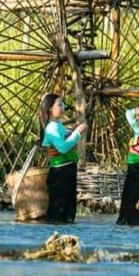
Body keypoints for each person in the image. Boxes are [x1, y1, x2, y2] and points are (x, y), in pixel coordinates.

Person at [39, 93, 88, 223]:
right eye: (59, 105)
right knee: (59, 211)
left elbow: (64, 138)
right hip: (60, 173)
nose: (63, 107)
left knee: (68, 208)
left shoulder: (58, 125)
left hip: (67, 170)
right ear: (50, 108)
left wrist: (71, 133)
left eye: (63, 104)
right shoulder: (51, 129)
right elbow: (62, 148)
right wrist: (77, 133)